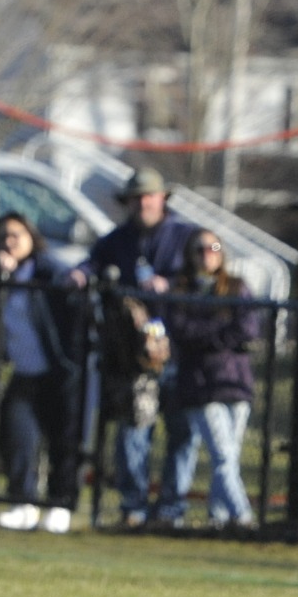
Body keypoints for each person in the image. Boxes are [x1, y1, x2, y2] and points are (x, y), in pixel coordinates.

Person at [71, 166, 202, 526]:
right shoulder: (116, 240)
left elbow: (218, 251)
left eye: (149, 196)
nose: (143, 203)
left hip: (180, 352)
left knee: (182, 433)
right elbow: (92, 261)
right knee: (134, 430)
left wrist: (173, 283)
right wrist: (80, 272)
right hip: (135, 357)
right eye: (136, 198)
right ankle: (134, 507)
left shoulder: (187, 235)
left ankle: (171, 510)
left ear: (163, 198)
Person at [0, 212, 87, 533]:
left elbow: (69, 279)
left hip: (59, 373)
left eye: (16, 235)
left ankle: (60, 504)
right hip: (24, 373)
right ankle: (23, 503)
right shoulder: (0, 269)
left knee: (63, 441)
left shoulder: (46, 269)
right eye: (3, 236)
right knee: (16, 436)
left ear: (32, 238)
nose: (9, 242)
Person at [155, 231, 262, 530]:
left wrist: (208, 336)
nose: (207, 254)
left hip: (234, 382)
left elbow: (247, 329)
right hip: (200, 385)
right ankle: (243, 517)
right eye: (199, 249)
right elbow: (181, 330)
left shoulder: (237, 287)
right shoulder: (181, 290)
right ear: (190, 254)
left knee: (230, 456)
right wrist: (220, 333)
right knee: (222, 455)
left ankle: (219, 517)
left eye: (214, 248)